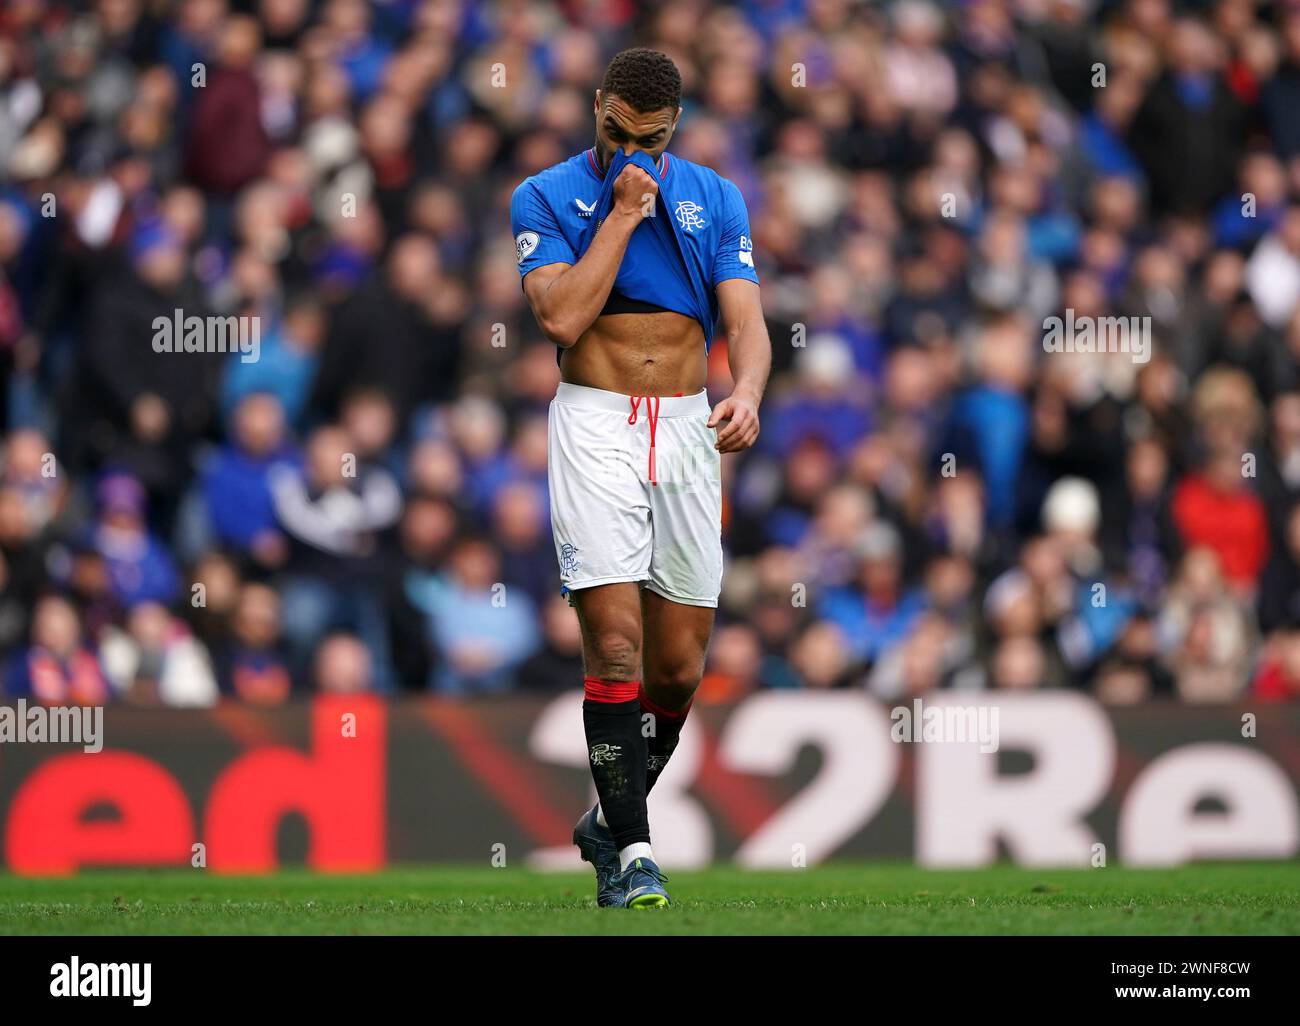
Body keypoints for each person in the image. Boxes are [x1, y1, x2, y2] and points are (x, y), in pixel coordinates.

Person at [511, 48, 771, 908]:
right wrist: (622, 216)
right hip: (596, 421)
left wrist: (751, 392)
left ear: (675, 128)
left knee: (679, 670)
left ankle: (608, 819)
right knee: (614, 642)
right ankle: (634, 855)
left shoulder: (717, 197)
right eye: (617, 133)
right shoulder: (546, 196)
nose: (632, 152)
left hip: (690, 425)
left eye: (649, 140)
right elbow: (560, 314)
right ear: (596, 109)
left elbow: (748, 320)